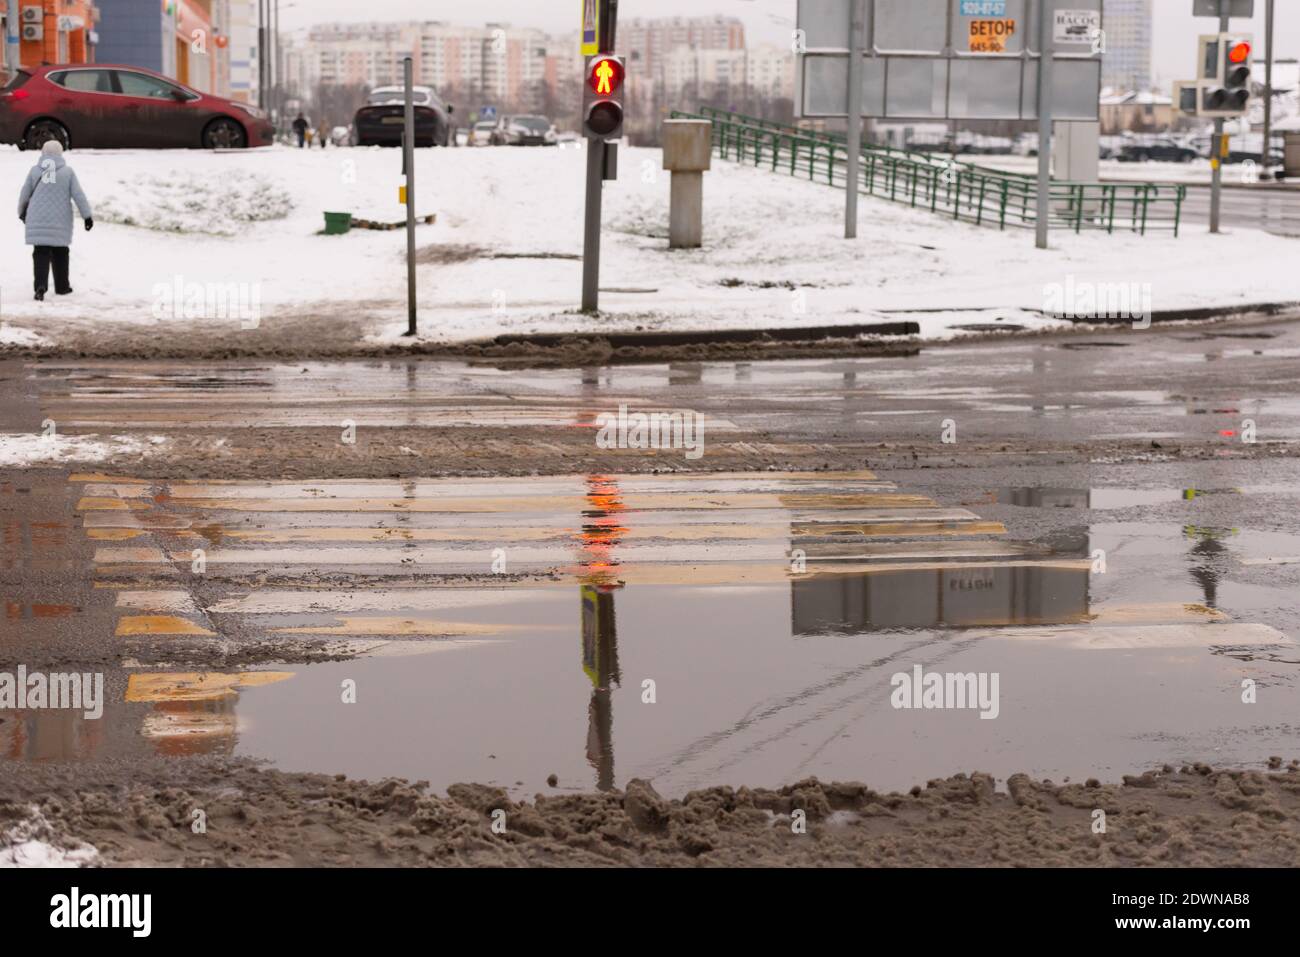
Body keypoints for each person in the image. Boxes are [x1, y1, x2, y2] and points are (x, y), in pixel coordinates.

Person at [17, 140, 93, 301]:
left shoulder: (35, 171)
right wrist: (87, 216)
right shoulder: (67, 172)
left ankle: (40, 286)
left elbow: (24, 194)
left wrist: (21, 212)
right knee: (61, 252)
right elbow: (78, 195)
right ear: (60, 153)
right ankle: (62, 287)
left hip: (37, 219)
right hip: (60, 221)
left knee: (41, 252)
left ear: (43, 153)